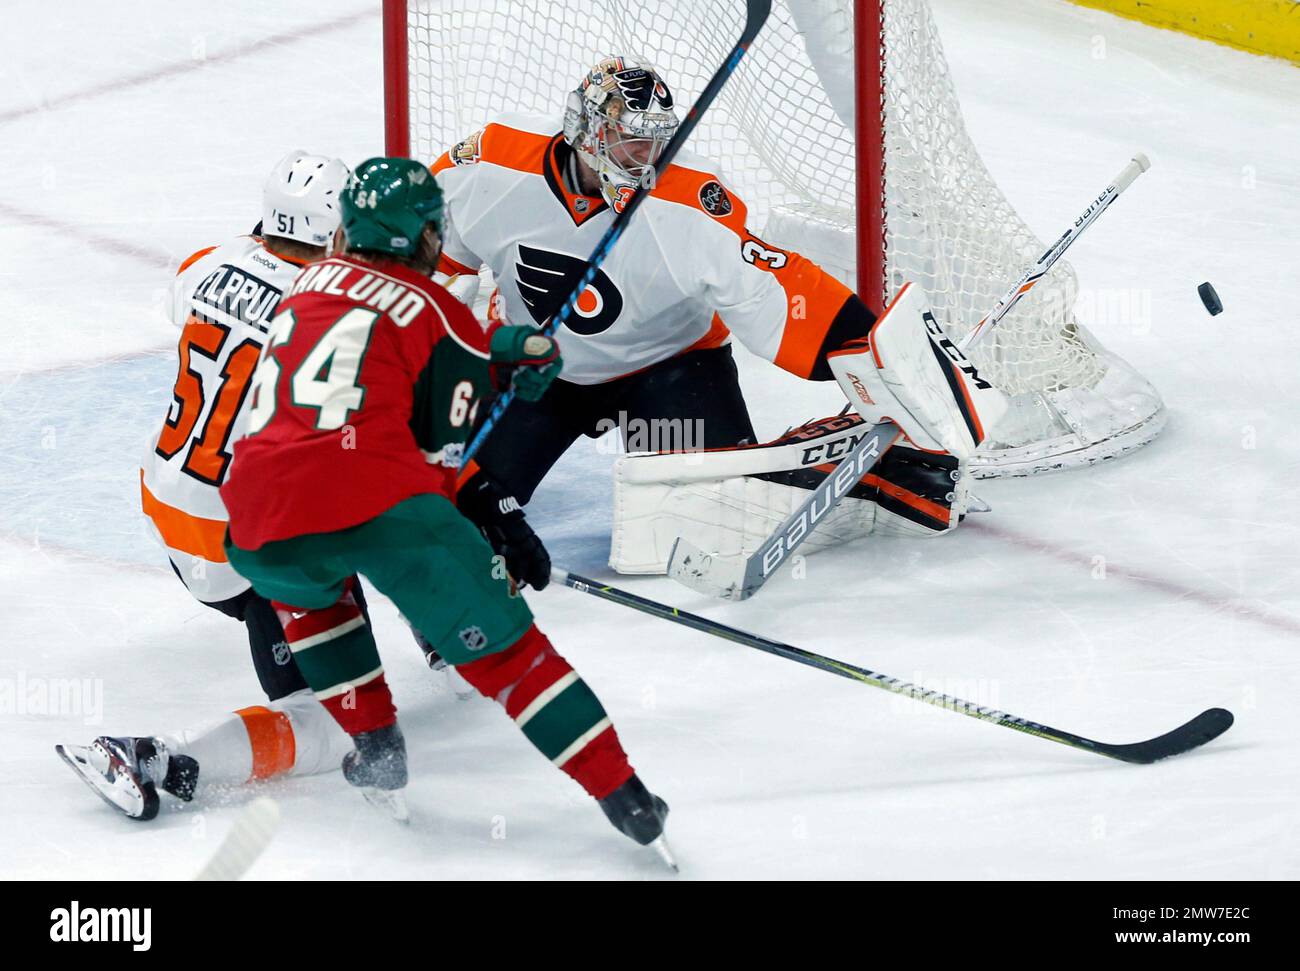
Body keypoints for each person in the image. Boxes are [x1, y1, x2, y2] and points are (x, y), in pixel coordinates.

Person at [219, 157, 674, 862]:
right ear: (428, 237)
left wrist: (494, 355)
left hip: (254, 516)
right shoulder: (438, 310)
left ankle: (375, 745)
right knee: (511, 658)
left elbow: (372, 343)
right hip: (381, 506)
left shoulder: (305, 282)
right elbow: (438, 440)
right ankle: (625, 794)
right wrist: (518, 366)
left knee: (316, 598)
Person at [430, 56, 988, 559]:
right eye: (633, 142)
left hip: (664, 373)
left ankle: (854, 465)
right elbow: (432, 270)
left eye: (658, 141)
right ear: (589, 135)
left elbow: (778, 292)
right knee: (449, 510)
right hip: (534, 372)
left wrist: (884, 362)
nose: (650, 157)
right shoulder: (490, 164)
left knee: (713, 522)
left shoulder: (689, 200)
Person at [57, 152, 369, 821]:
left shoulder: (207, 261)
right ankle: (164, 757)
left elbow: (210, 292)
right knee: (341, 720)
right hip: (243, 541)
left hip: (169, 510)